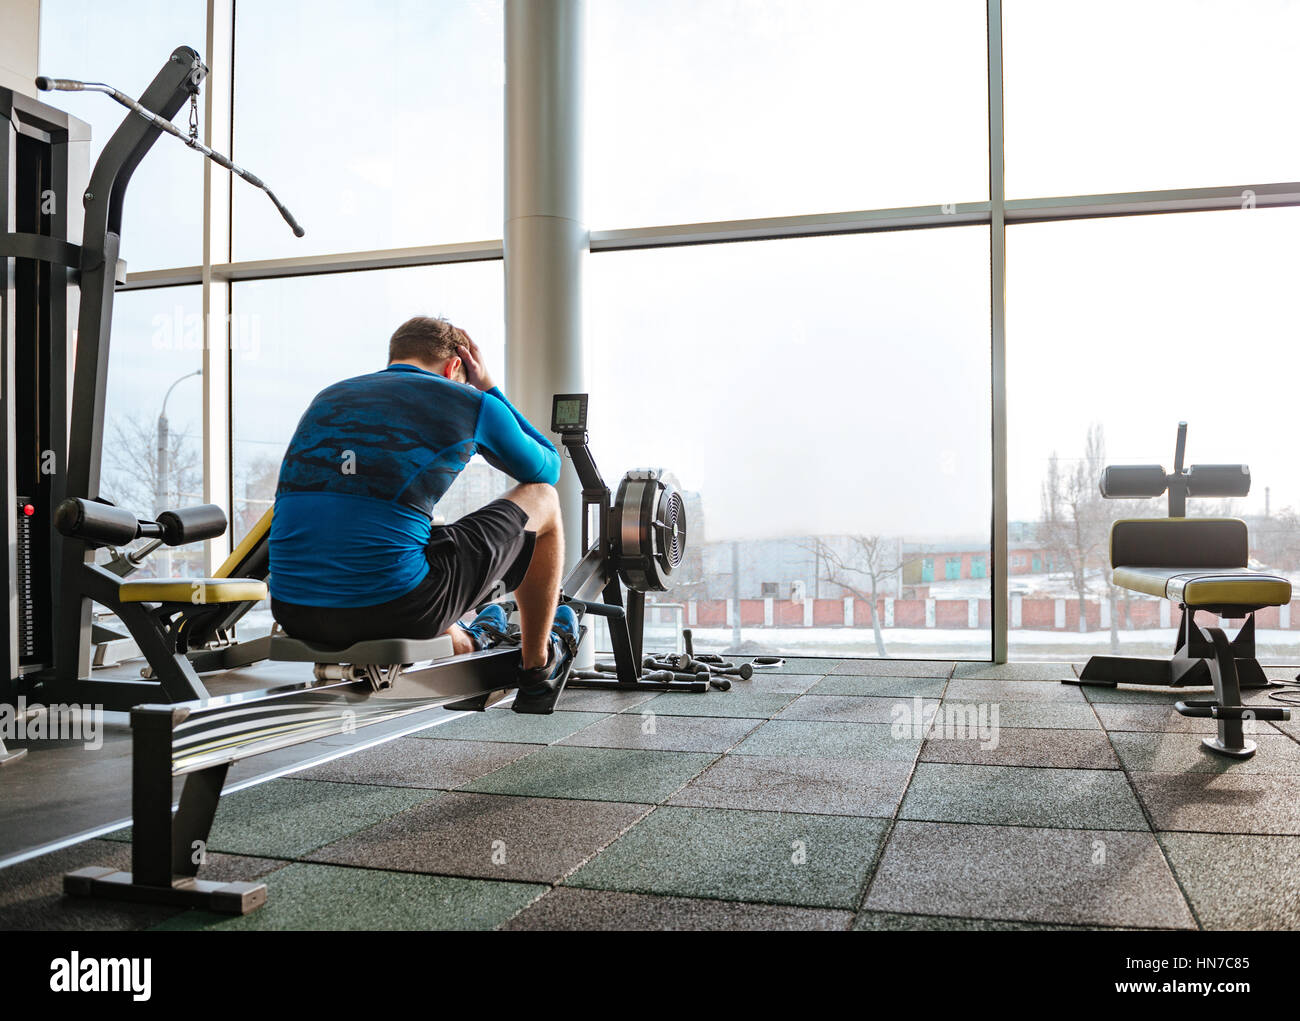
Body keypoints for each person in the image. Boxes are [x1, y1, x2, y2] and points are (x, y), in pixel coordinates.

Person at [268, 315, 577, 712]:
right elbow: (547, 468)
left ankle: (469, 640)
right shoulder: (470, 400)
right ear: (454, 367)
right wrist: (488, 387)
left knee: (407, 541)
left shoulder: (328, 396)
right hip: (399, 607)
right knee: (543, 499)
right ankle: (538, 668)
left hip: (295, 610)